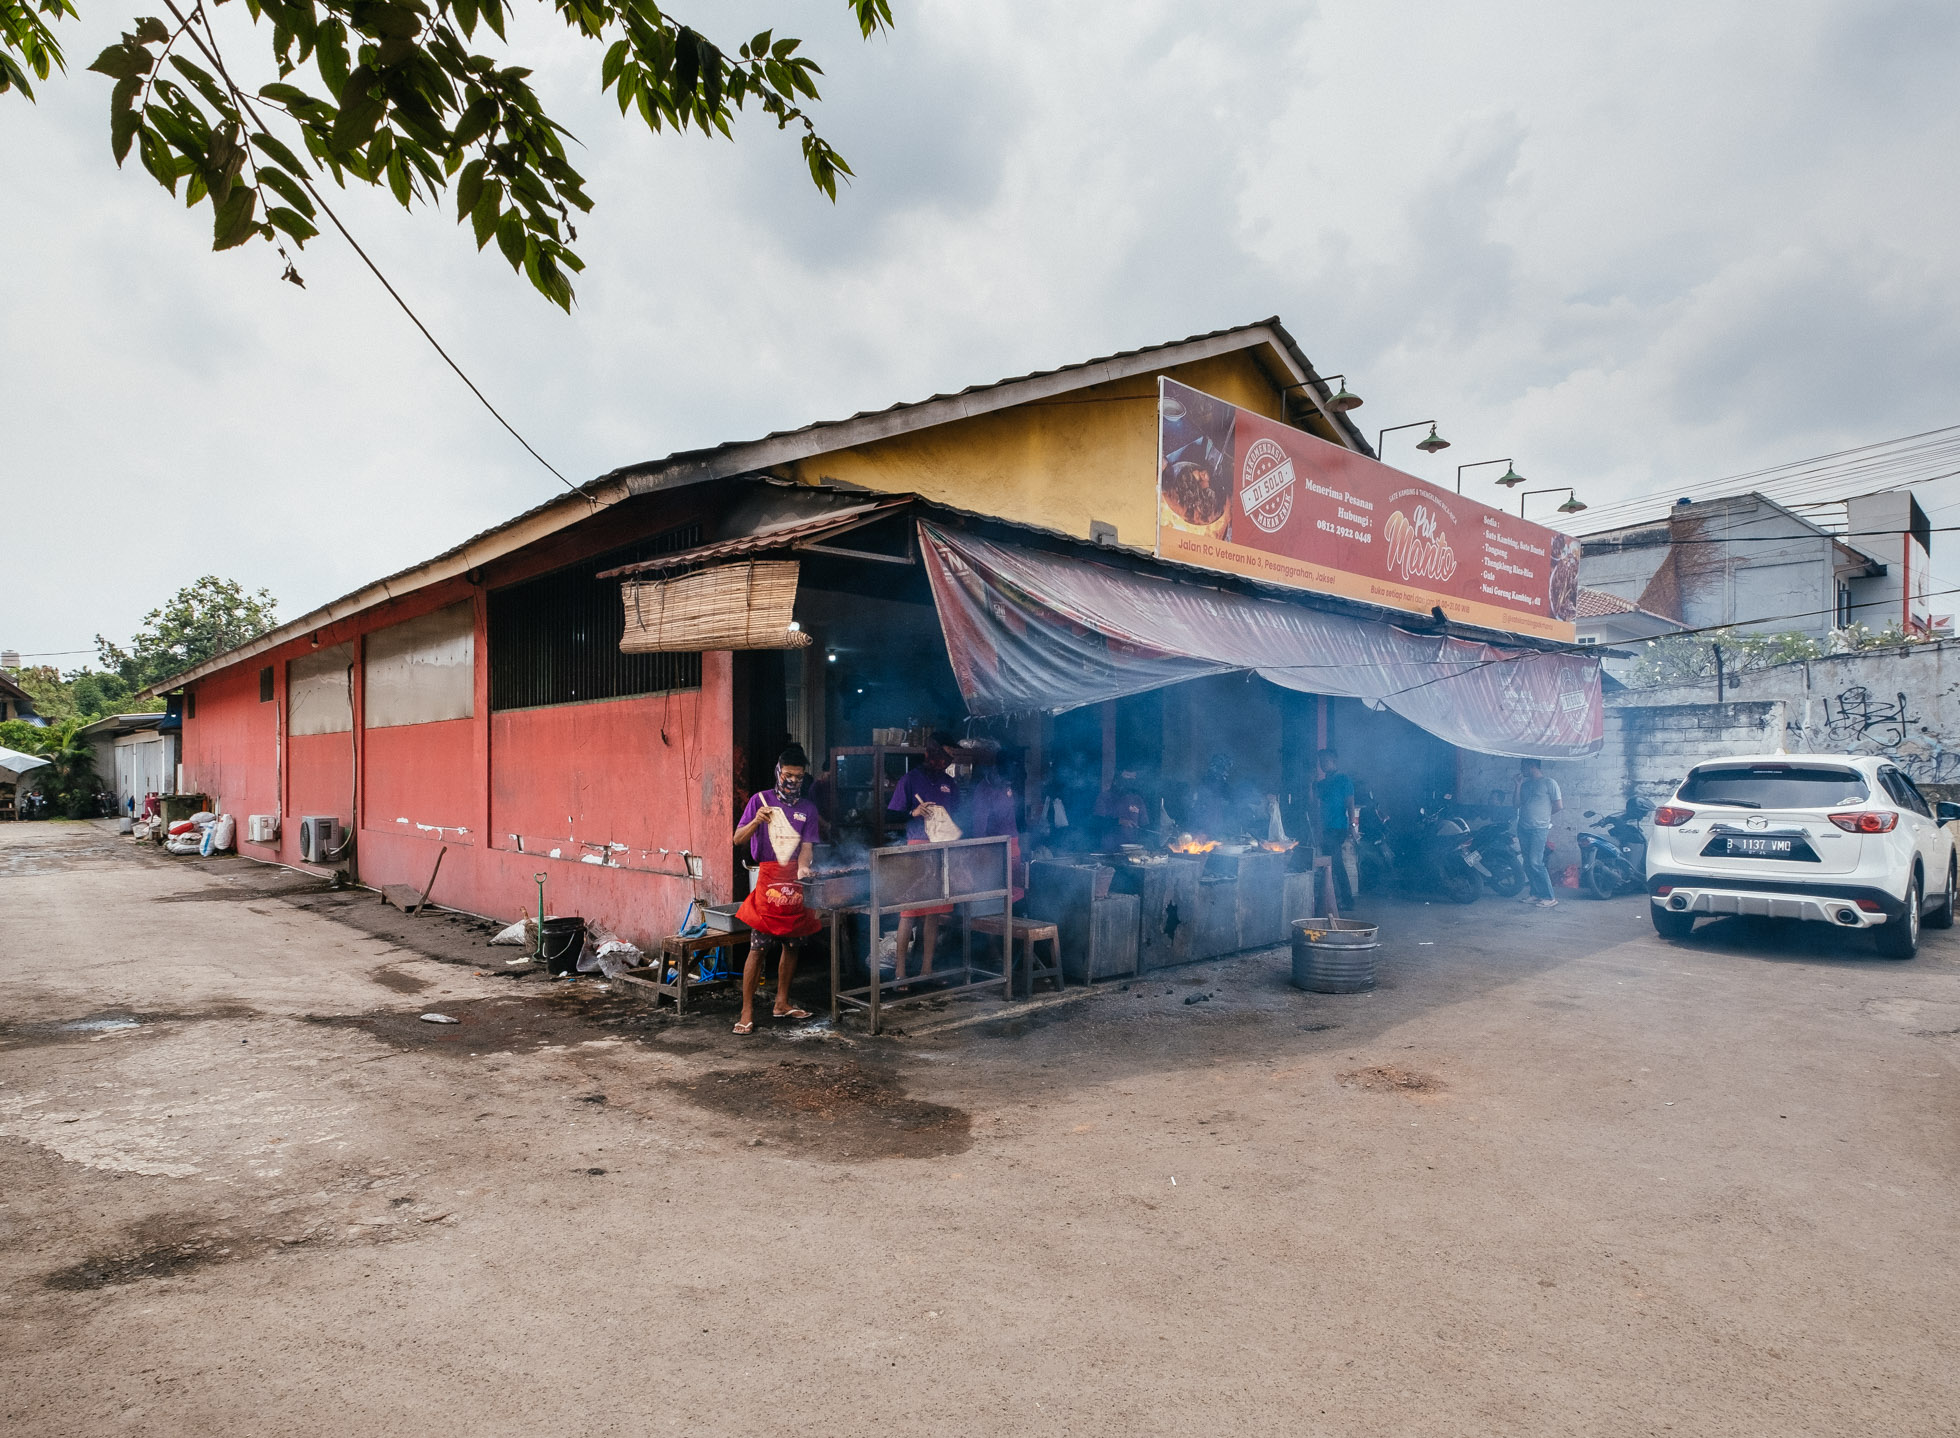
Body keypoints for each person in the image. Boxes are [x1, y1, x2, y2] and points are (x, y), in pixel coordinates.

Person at [730, 744, 823, 1034]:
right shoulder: (760, 801)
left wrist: (804, 867)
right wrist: (757, 820)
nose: (793, 781)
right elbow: (737, 839)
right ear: (778, 772)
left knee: (792, 945)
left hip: (794, 879)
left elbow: (807, 847)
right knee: (758, 948)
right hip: (768, 879)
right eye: (788, 774)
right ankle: (746, 1011)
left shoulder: (808, 808)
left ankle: (781, 1003)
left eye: (799, 776)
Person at [887, 732, 962, 982]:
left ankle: (926, 969)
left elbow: (959, 815)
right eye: (945, 756)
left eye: (951, 757)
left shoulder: (949, 784)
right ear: (933, 754)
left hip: (943, 849)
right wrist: (914, 811)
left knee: (934, 913)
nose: (947, 762)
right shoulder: (910, 780)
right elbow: (892, 815)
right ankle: (900, 973)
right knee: (909, 912)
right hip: (916, 850)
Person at [1313, 749, 1360, 904]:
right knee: (1330, 863)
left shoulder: (1343, 780)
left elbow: (1350, 803)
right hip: (1325, 828)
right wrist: (1318, 829)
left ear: (1334, 761)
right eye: (1320, 762)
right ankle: (1333, 898)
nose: (1322, 764)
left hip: (1338, 827)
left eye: (1325, 761)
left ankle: (1347, 900)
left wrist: (1352, 825)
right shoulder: (1322, 784)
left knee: (1335, 862)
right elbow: (1318, 807)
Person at [1515, 757, 1563, 909]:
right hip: (1523, 827)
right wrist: (1517, 785)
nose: (1521, 769)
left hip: (1539, 829)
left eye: (1523, 765)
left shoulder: (1550, 783)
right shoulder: (1526, 784)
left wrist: (1544, 819)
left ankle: (1549, 897)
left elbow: (1558, 806)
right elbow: (1516, 804)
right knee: (1528, 863)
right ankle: (1535, 894)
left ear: (1531, 765)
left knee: (1536, 862)